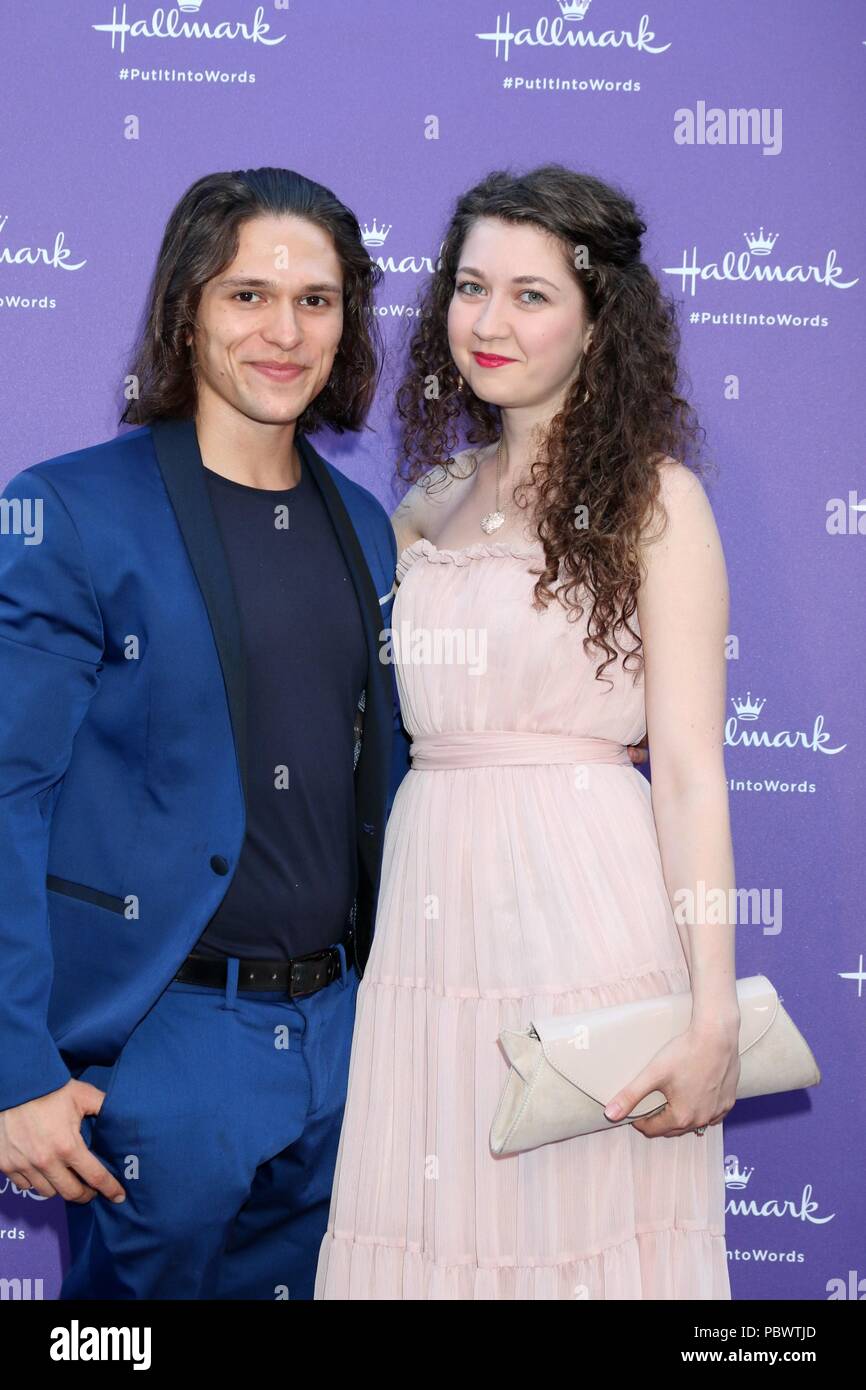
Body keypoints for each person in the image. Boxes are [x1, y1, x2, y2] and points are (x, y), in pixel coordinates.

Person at [315, 165, 739, 1300]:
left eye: (531, 294)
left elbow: (690, 774)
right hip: (427, 934)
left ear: (600, 322)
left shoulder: (658, 504)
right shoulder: (422, 505)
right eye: (468, 287)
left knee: (584, 1244)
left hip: (587, 920)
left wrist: (710, 1015)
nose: (488, 322)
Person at [0, 167, 411, 1300]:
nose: (284, 331)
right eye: (247, 295)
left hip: (346, 1043)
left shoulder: (365, 527)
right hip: (168, 1041)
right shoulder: (74, 512)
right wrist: (12, 1066)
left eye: (316, 301)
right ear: (188, 308)